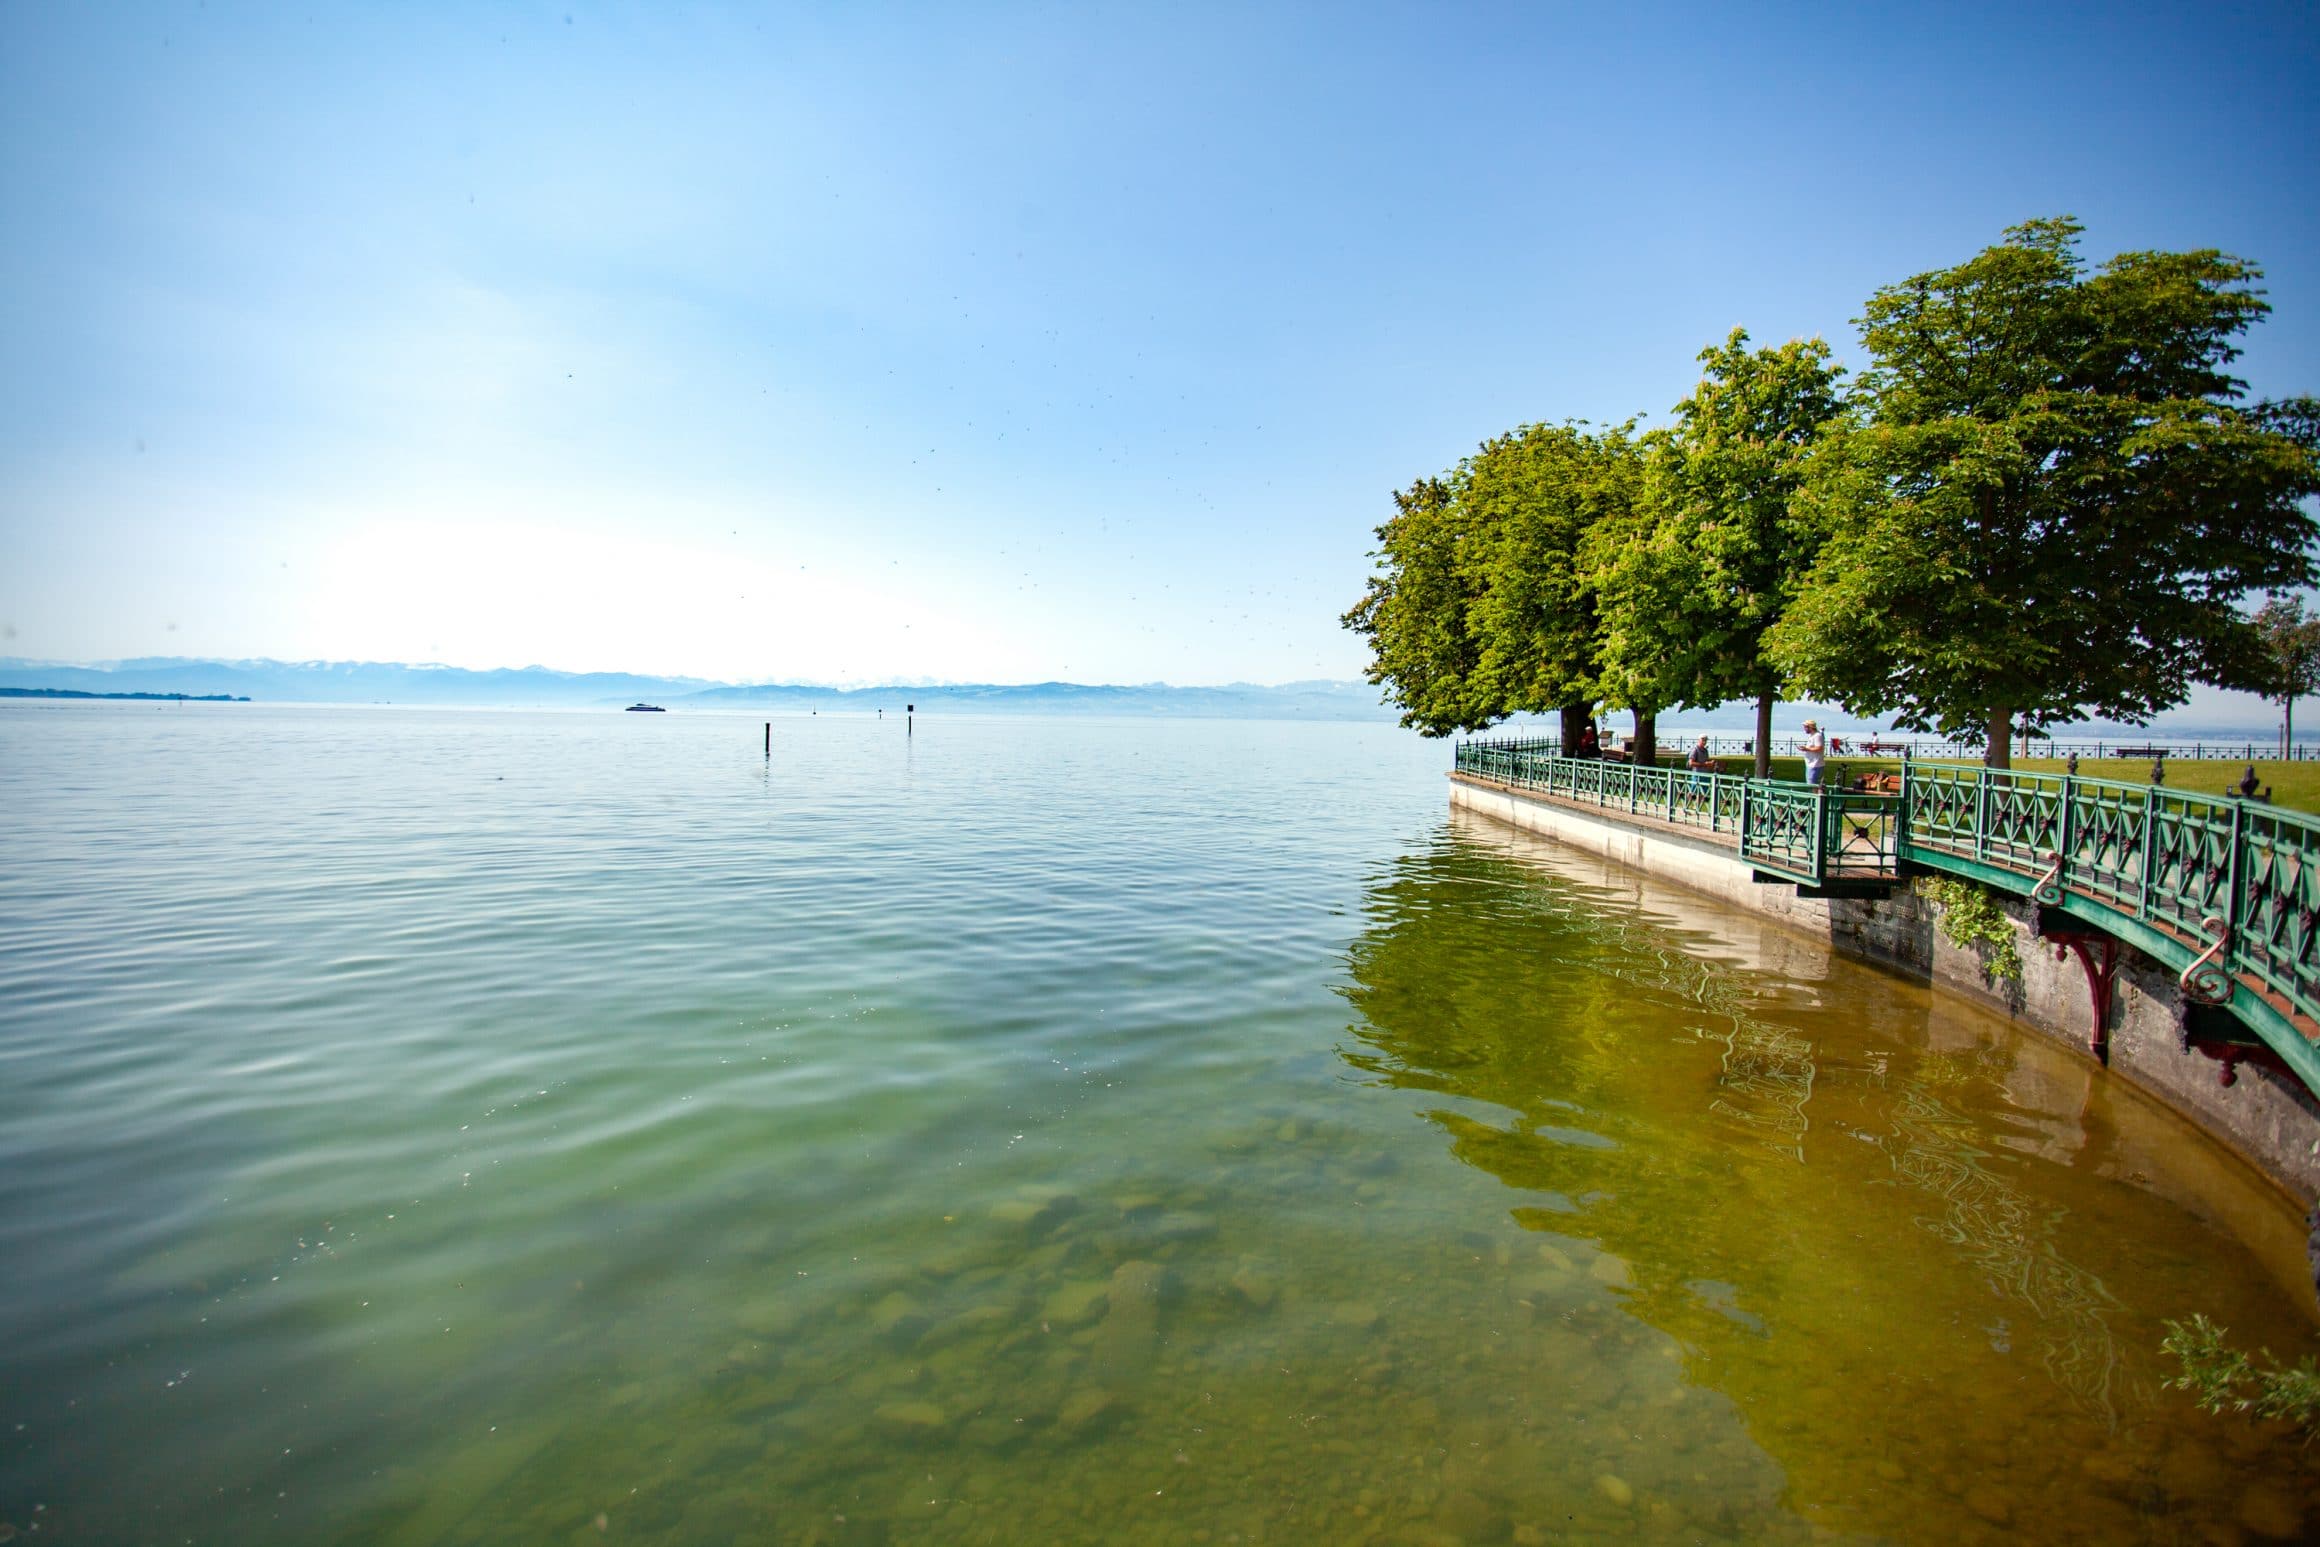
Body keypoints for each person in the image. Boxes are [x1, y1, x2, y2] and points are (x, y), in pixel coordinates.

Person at [1799, 720, 1826, 786]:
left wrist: (1806, 749)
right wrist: (1805, 749)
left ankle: (1814, 796)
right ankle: (1813, 795)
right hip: (1810, 764)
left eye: (1805, 727)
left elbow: (1819, 748)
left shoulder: (1817, 736)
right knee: (1811, 785)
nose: (1804, 729)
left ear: (1810, 727)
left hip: (1815, 765)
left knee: (1812, 785)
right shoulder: (1812, 735)